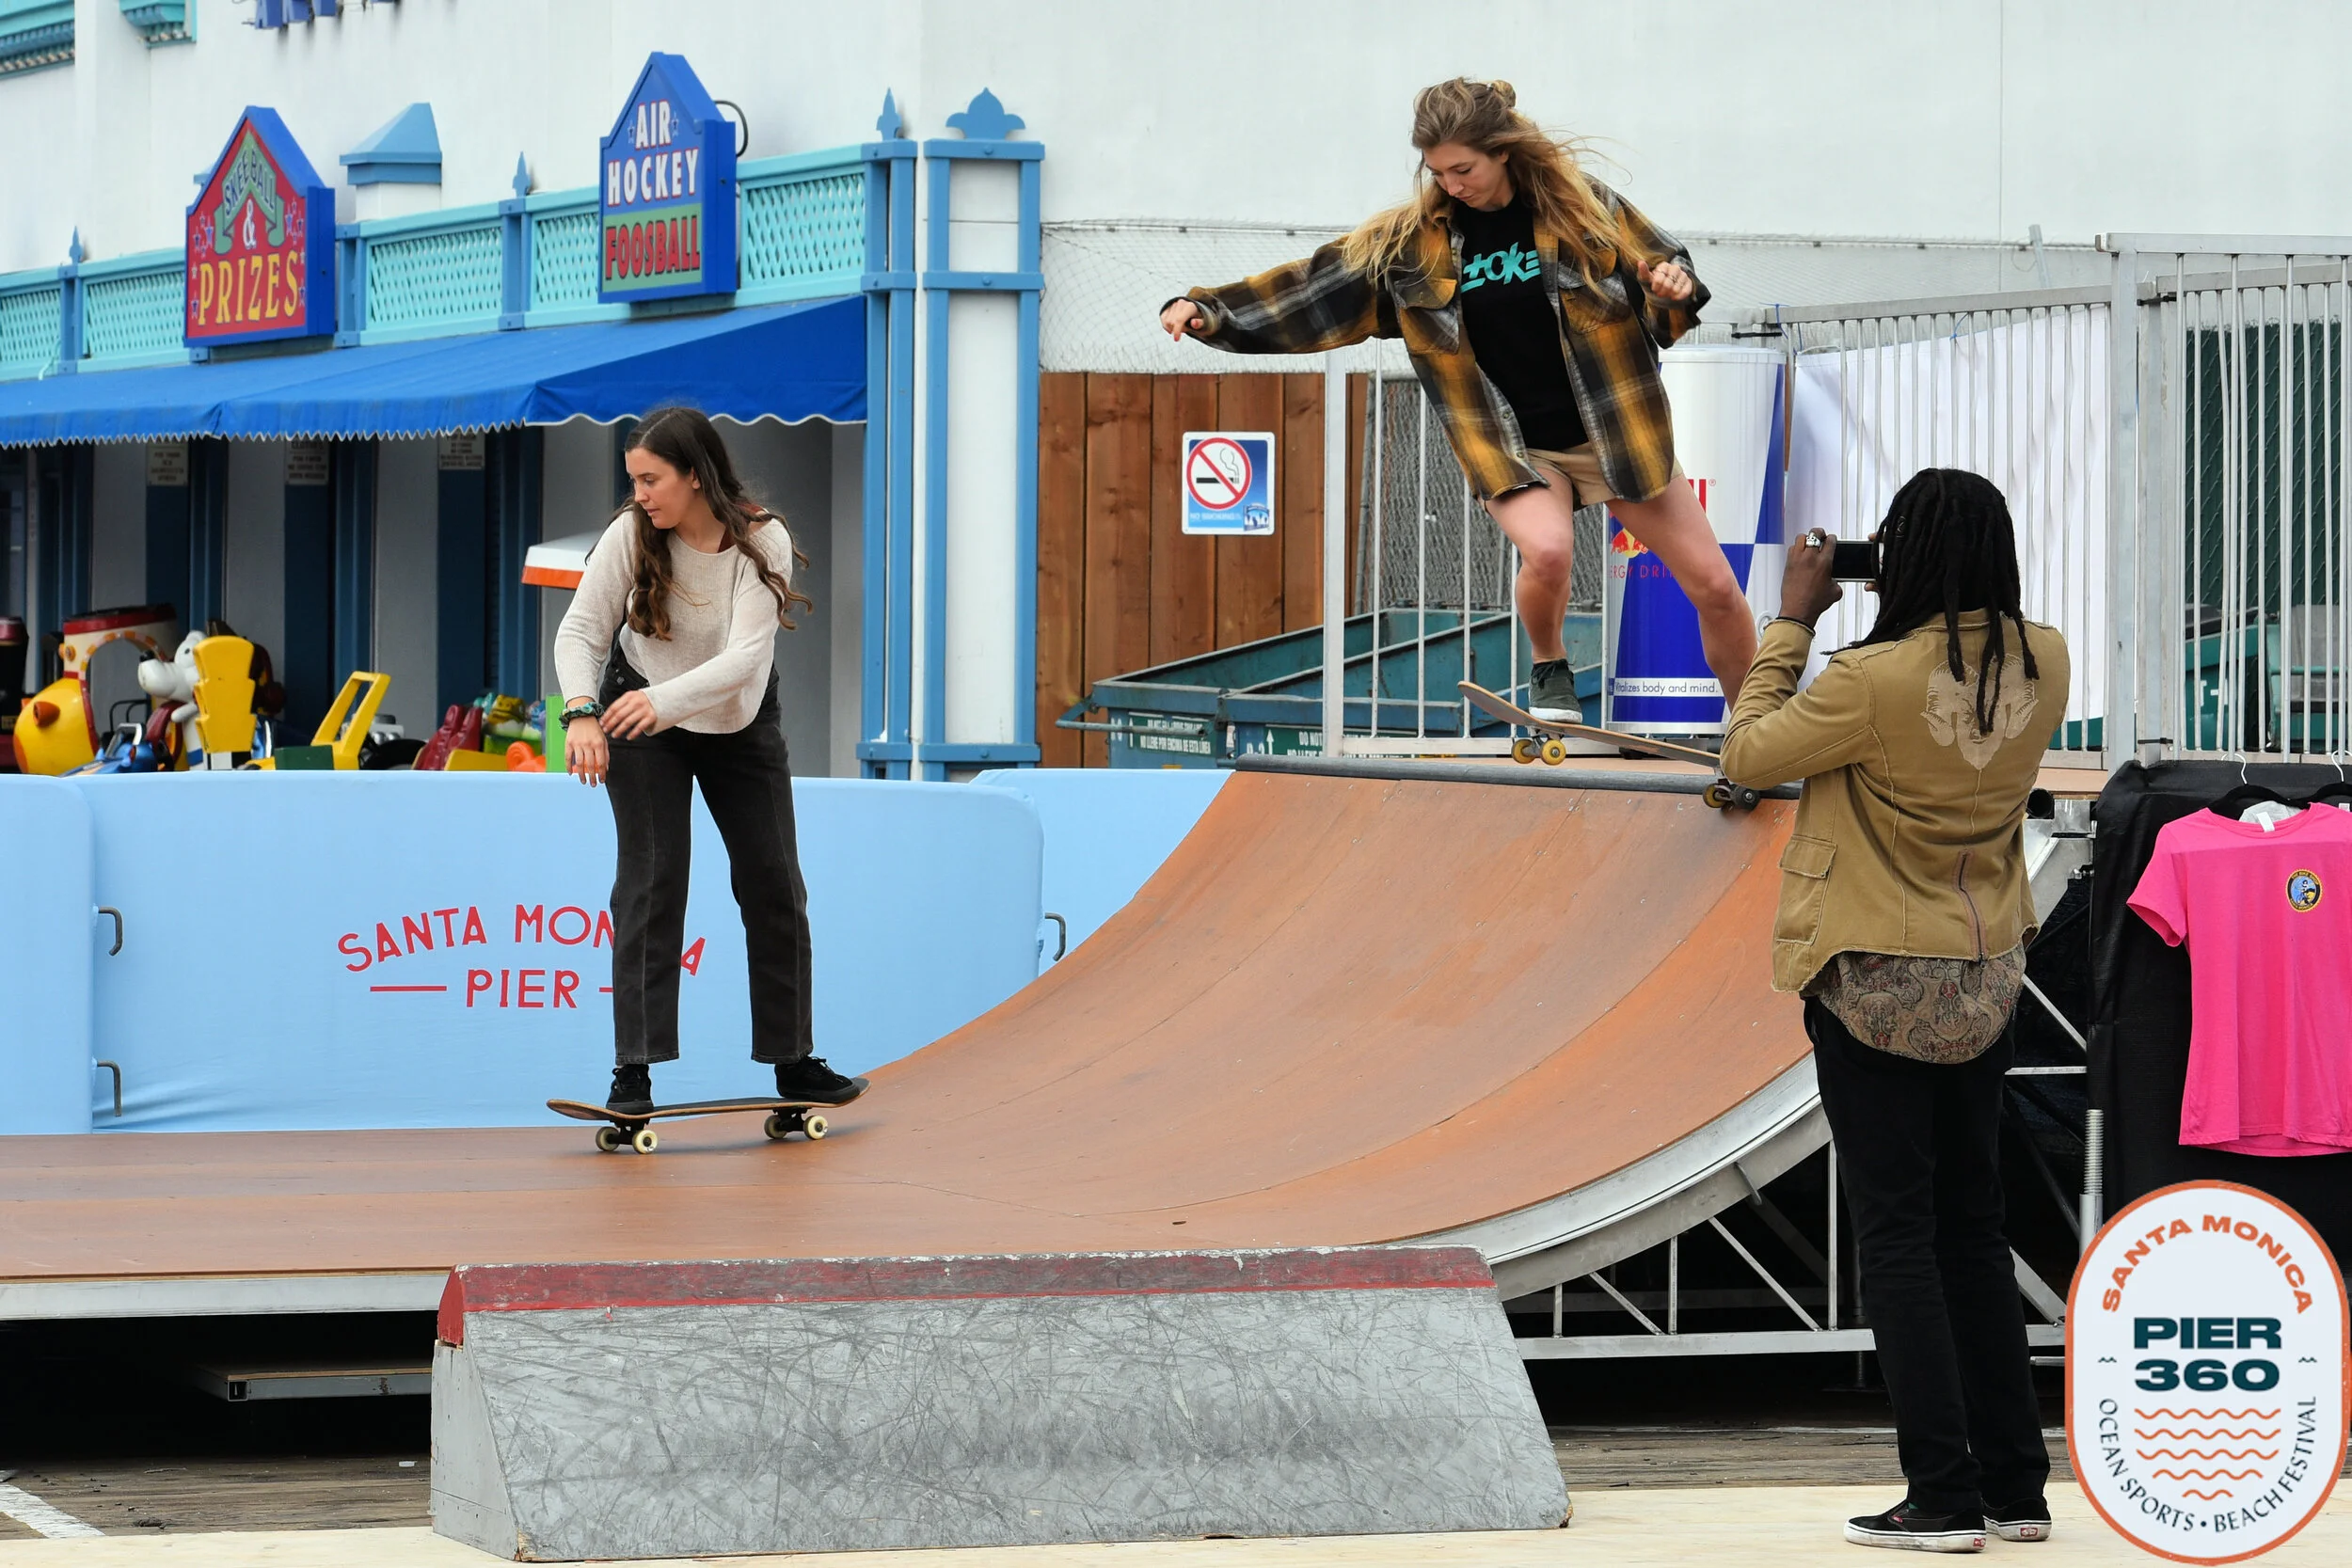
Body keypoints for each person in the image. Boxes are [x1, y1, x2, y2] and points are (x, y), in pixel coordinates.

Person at [1159, 76, 1756, 718]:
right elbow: (1311, 289)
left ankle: (1756, 723)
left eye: (1463, 169)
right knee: (1549, 549)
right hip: (1513, 444)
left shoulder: (1585, 209)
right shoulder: (1411, 247)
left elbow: (1665, 274)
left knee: (1718, 587)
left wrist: (1672, 289)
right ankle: (1548, 665)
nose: (1451, 185)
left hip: (1617, 432)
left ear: (1503, 152)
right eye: (1437, 172)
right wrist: (1208, 308)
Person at [1721, 469, 2072, 1553]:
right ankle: (2015, 1486)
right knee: (1972, 1225)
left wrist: (1791, 614)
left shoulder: (1866, 676)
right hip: (1983, 975)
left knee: (1899, 1237)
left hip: (1873, 978)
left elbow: (1746, 749)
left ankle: (1940, 1496)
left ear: (1900, 557)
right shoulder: (2044, 656)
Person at [552, 405, 865, 1116]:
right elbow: (580, 631)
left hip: (737, 716)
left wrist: (666, 702)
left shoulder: (762, 538)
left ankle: (793, 1059)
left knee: (773, 883)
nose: (639, 494)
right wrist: (579, 711)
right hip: (639, 710)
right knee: (650, 885)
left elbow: (748, 655)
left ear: (695, 475)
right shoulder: (632, 535)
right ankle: (633, 1069)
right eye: (633, 480)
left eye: (652, 479)